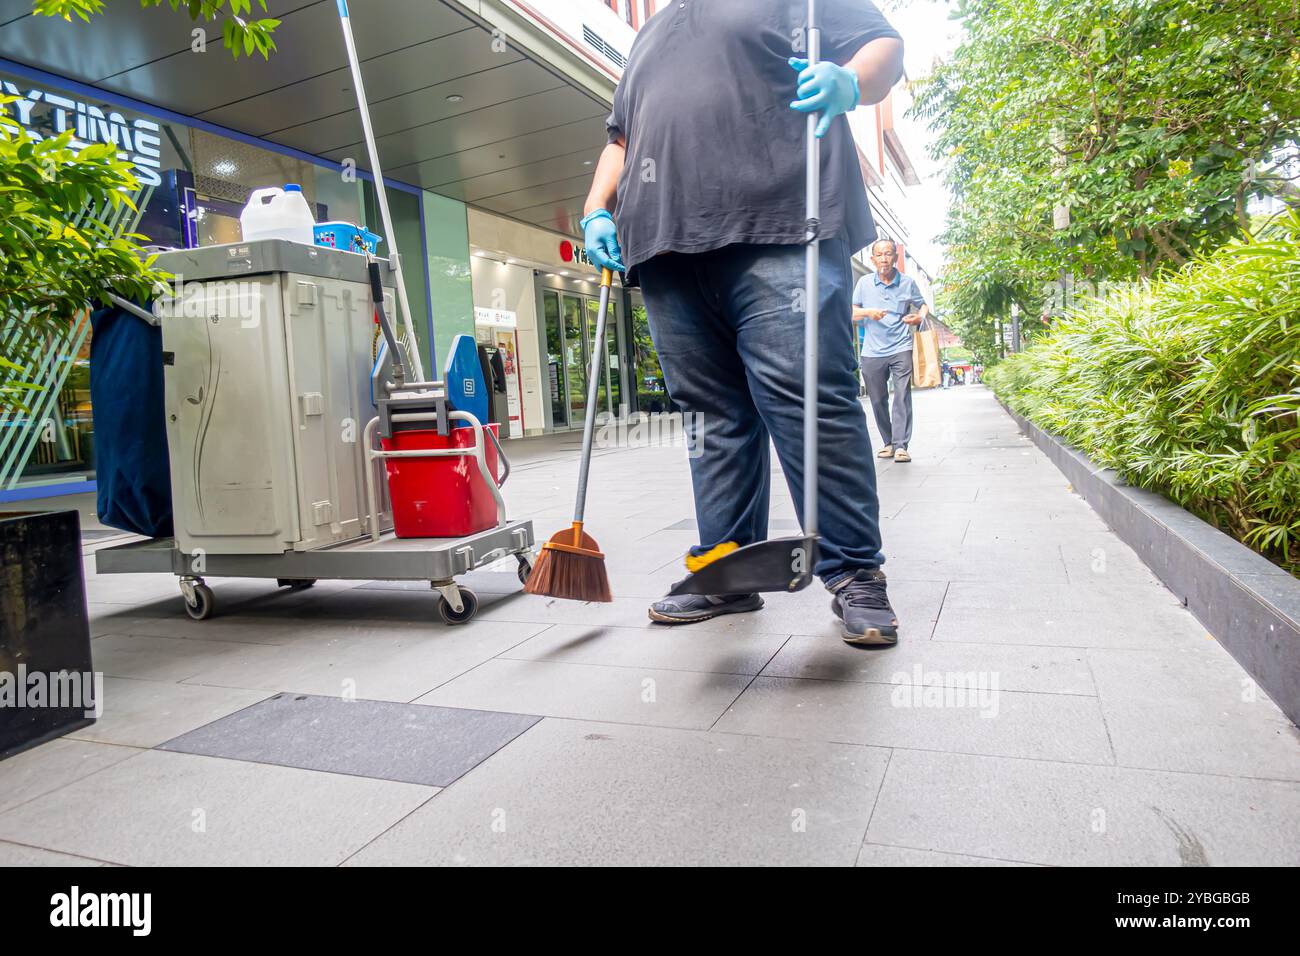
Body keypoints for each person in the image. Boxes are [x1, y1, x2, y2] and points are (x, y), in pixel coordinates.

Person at [580, 0, 906, 647]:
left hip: (781, 224)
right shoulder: (649, 36)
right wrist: (595, 208)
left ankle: (855, 574)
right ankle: (724, 570)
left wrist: (848, 85)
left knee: (810, 398)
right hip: (666, 246)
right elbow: (622, 138)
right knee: (710, 414)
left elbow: (882, 48)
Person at [853, 239, 927, 463]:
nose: (883, 258)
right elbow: (851, 313)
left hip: (901, 346)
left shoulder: (907, 282)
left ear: (895, 257)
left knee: (902, 395)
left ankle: (901, 445)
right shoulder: (864, 283)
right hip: (872, 351)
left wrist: (919, 317)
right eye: (879, 254)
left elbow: (922, 305)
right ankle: (888, 442)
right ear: (872, 259)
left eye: (888, 254)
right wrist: (869, 313)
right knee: (877, 399)